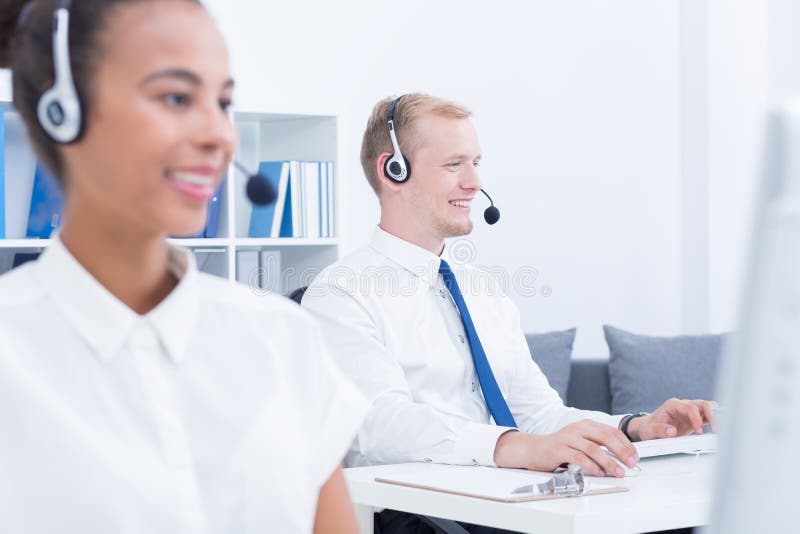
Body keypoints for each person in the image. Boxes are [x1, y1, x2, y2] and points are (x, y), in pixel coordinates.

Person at [0, 1, 365, 532]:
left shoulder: (283, 340)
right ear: (64, 110)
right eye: (176, 97)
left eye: (222, 102)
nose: (219, 134)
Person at [301, 93, 715, 530]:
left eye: (476, 162)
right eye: (454, 164)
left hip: (511, 502)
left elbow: (539, 415)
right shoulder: (341, 293)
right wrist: (515, 447)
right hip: (422, 514)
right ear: (393, 170)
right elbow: (379, 427)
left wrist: (633, 428)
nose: (475, 182)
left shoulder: (483, 290)